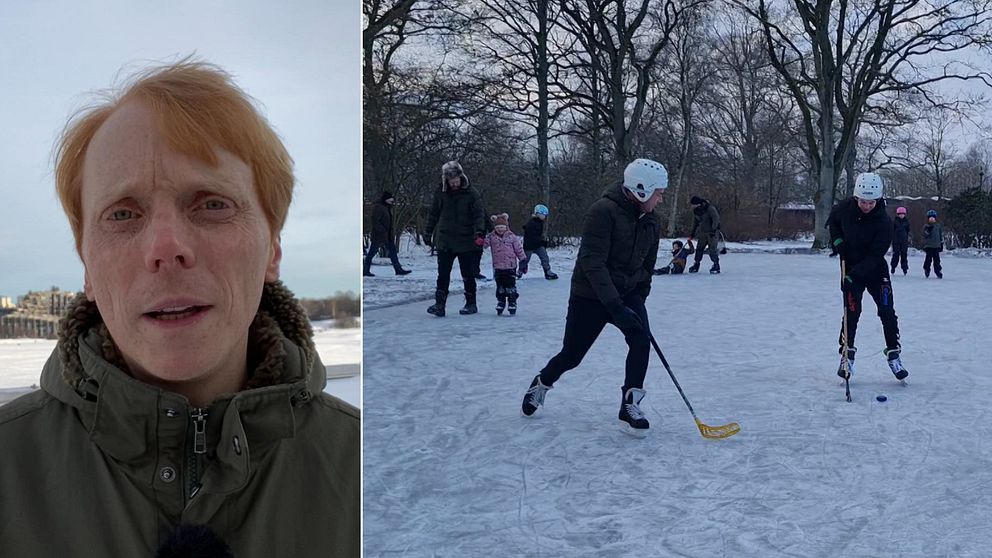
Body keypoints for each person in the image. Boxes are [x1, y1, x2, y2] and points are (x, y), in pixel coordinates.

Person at [0, 60, 359, 556]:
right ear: (86, 266)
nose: (166, 248)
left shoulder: (360, 465)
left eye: (212, 204)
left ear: (272, 249)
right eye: (122, 214)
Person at [520, 158, 667, 437]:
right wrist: (614, 306)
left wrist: (639, 298)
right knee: (572, 355)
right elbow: (592, 262)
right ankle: (542, 382)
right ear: (641, 190)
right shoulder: (603, 212)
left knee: (640, 340)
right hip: (590, 295)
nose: (660, 199)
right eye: (658, 193)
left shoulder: (651, 221)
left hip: (627, 292)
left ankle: (630, 405)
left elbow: (647, 265)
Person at [827, 172, 908, 382]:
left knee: (886, 310)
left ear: (878, 199)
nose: (867, 206)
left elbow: (875, 255)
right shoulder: (844, 208)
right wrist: (837, 242)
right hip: (850, 267)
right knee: (852, 312)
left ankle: (894, 354)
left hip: (875, 270)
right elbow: (833, 222)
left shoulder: (884, 223)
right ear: (856, 197)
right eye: (863, 201)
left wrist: (854, 275)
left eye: (871, 202)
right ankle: (847, 356)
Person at [423, 160, 486, 316]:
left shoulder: (471, 193)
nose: (454, 184)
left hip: (466, 240)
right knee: (443, 274)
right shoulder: (441, 193)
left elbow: (479, 214)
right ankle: (440, 304)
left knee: (468, 274)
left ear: (461, 177)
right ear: (446, 180)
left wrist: (480, 231)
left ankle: (471, 303)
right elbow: (433, 213)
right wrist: (428, 232)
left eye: (456, 180)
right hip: (445, 240)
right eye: (451, 181)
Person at [484, 213, 527, 315]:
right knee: (500, 286)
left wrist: (523, 261)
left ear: (506, 227)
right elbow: (484, 245)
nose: (500, 229)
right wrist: (480, 240)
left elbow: (519, 249)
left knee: (510, 285)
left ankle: (512, 302)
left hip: (510, 266)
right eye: (498, 227)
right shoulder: (492, 237)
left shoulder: (512, 237)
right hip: (498, 267)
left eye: (502, 227)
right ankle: (501, 301)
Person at [364, 191, 411, 277]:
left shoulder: (387, 207)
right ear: (386, 199)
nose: (392, 200)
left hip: (387, 235)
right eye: (390, 199)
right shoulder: (378, 207)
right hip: (379, 235)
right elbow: (375, 222)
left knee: (393, 252)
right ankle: (365, 270)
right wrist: (382, 230)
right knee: (372, 253)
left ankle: (398, 269)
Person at [520, 204, 559, 280]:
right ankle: (520, 271)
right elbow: (532, 236)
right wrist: (541, 241)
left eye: (545, 215)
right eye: (543, 215)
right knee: (525, 259)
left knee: (544, 257)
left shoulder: (540, 222)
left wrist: (541, 242)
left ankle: (547, 271)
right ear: (537, 214)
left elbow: (538, 235)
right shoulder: (532, 223)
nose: (544, 217)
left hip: (538, 245)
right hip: (529, 245)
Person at [687, 195, 721, 274]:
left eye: (693, 205)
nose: (692, 206)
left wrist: (713, 230)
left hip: (712, 232)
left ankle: (716, 264)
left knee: (712, 249)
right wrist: (692, 233)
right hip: (702, 233)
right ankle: (696, 264)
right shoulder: (696, 211)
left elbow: (716, 219)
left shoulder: (709, 208)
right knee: (699, 249)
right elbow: (695, 222)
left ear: (698, 204)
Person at [922, 209, 944, 279]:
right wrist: (928, 231)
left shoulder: (938, 226)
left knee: (937, 260)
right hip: (929, 246)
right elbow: (925, 235)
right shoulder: (926, 226)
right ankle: (927, 269)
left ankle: (938, 271)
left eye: (933, 218)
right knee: (928, 259)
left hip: (936, 246)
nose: (932, 219)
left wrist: (941, 244)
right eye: (930, 218)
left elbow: (940, 235)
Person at [890, 206, 910, 275]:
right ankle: (893, 267)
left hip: (904, 241)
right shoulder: (895, 222)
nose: (901, 215)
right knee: (896, 254)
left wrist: (906, 237)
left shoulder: (906, 222)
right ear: (898, 214)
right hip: (896, 241)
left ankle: (904, 268)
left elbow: (907, 230)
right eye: (900, 214)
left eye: (903, 214)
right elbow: (892, 230)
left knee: (904, 254)